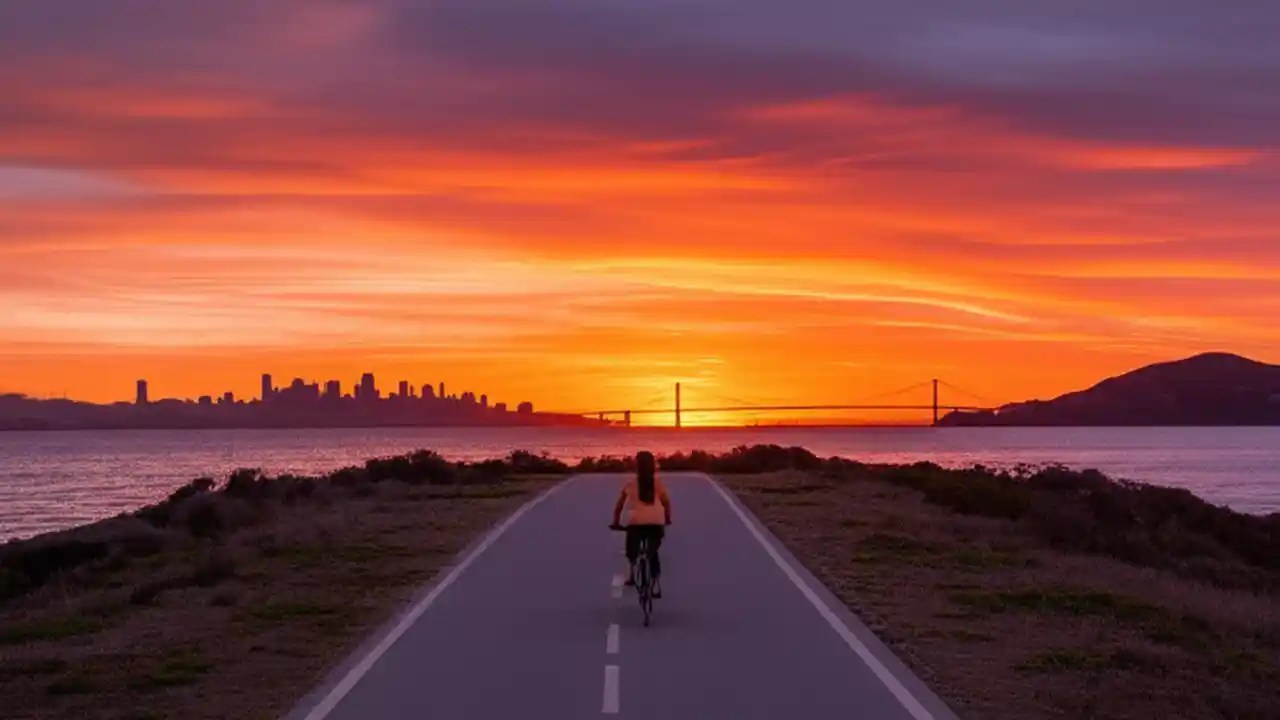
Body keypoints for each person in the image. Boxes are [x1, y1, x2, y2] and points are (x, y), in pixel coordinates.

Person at [610, 451, 671, 598]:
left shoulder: (631, 485)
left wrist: (616, 522)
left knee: (632, 551)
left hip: (636, 524)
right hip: (656, 524)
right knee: (652, 552)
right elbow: (666, 503)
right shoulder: (658, 484)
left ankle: (632, 576)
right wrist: (667, 519)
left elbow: (619, 507)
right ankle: (655, 584)